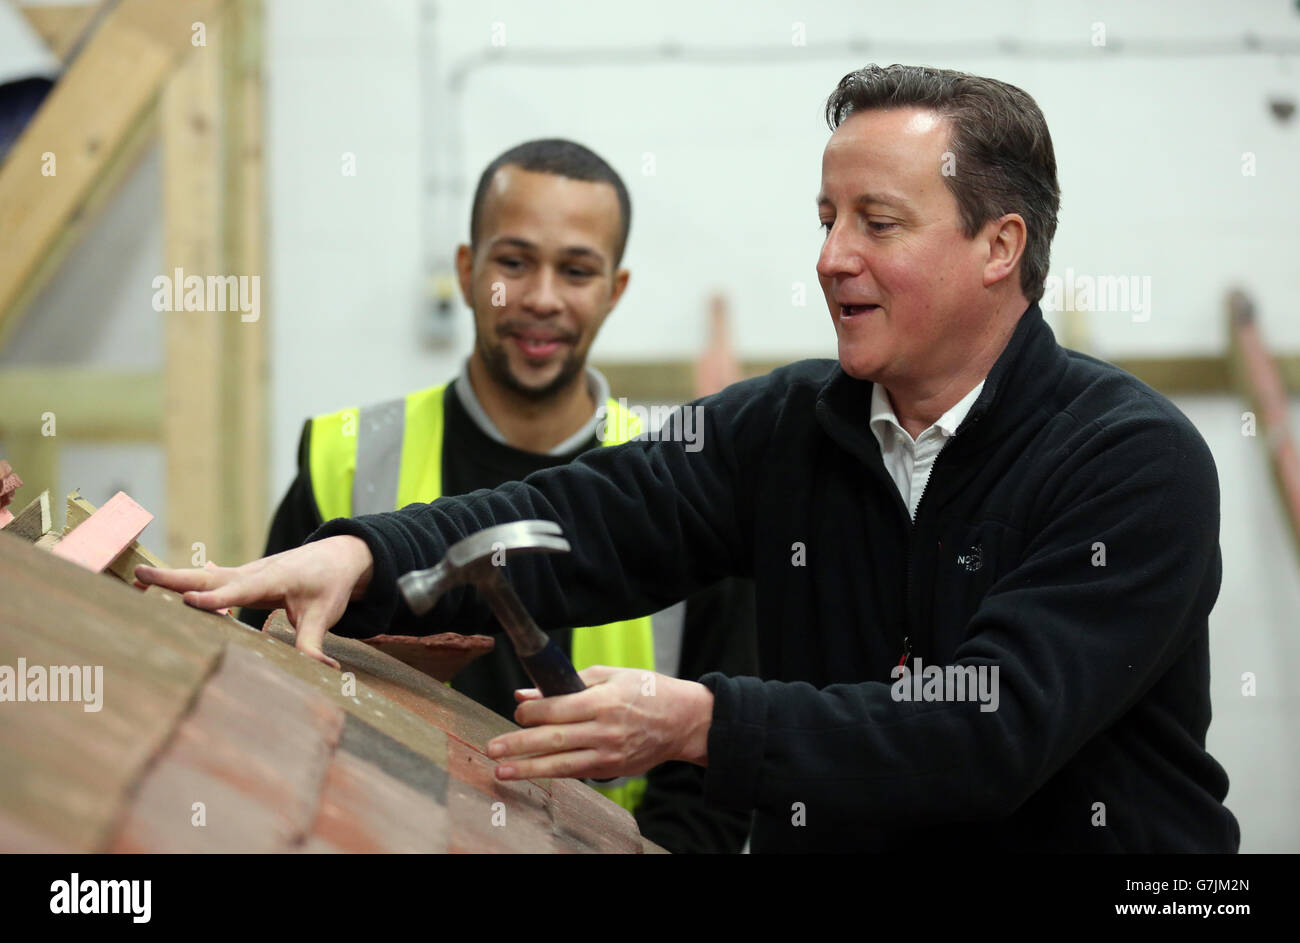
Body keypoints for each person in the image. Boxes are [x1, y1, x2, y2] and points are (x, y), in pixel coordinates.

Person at [141, 65, 1240, 853]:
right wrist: (362, 555)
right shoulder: (793, 422)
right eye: (824, 216)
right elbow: (590, 509)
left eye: (877, 222)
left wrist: (706, 722)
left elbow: (986, 726)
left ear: (999, 246)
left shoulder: (1130, 463)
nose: (829, 257)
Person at [233, 139, 757, 855]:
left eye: (576, 269)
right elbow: (266, 694)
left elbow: (714, 786)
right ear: (466, 269)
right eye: (513, 262)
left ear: (615, 288)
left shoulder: (689, 487)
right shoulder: (346, 458)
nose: (541, 297)